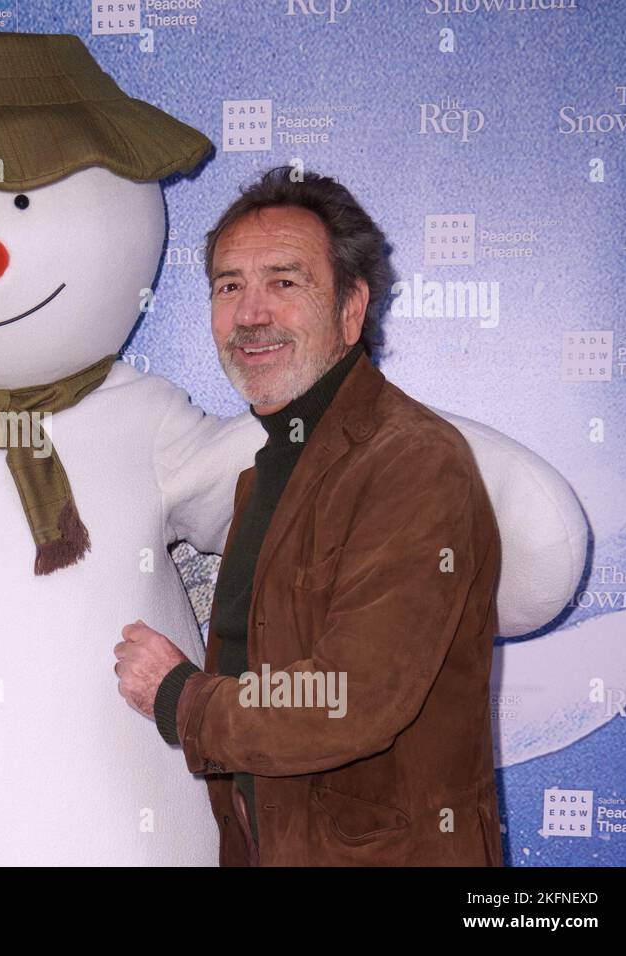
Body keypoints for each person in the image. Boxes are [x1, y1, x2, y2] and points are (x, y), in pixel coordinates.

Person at [114, 167, 505, 866]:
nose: (250, 313)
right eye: (229, 286)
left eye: (285, 282)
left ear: (353, 310)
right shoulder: (268, 471)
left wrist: (179, 698)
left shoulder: (412, 463)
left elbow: (349, 699)